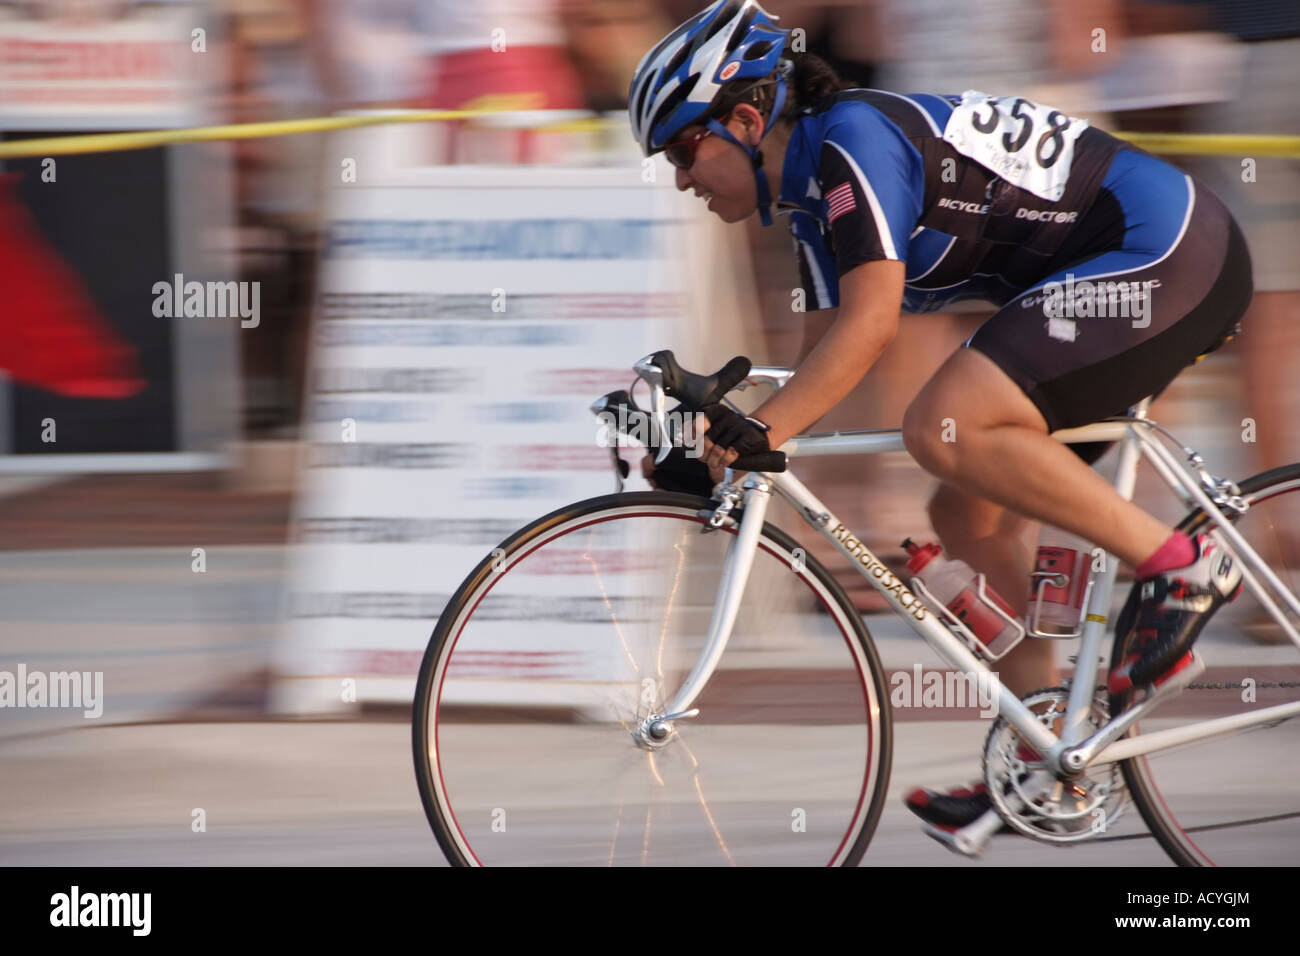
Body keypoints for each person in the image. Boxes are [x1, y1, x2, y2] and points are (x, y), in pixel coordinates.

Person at [628, 0, 1251, 836]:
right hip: (1110, 276)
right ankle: (1048, 751)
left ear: (746, 119)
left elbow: (872, 326)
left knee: (943, 428)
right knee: (959, 510)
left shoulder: (852, 138)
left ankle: (1181, 564)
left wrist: (762, 433)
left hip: (1166, 252)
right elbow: (828, 366)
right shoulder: (811, 196)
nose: (678, 178)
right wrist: (713, 439)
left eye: (681, 149)